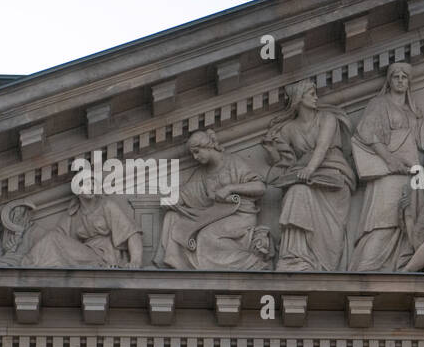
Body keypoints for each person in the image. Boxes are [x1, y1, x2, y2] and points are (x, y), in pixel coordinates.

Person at [349, 62, 424, 271]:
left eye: (404, 77)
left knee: (410, 220)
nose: (400, 80)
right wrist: (389, 159)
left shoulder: (413, 111)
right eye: (396, 76)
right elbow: (368, 133)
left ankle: (402, 264)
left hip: (413, 173)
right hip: (389, 172)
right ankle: (367, 268)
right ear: (389, 81)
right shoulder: (379, 103)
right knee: (385, 219)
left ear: (409, 82)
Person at [262, 79, 356, 272]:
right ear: (299, 98)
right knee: (296, 192)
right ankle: (296, 257)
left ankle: (324, 261)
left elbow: (322, 146)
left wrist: (310, 169)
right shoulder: (288, 129)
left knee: (304, 194)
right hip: (304, 178)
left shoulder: (327, 118)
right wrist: (271, 150)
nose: (316, 98)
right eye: (311, 94)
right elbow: (283, 162)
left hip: (332, 176)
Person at [157, 130, 270, 270]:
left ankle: (251, 263)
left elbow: (260, 187)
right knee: (173, 217)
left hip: (240, 216)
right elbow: (187, 194)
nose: (195, 157)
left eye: (197, 152)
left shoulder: (233, 162)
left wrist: (230, 188)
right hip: (214, 216)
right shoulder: (202, 173)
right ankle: (178, 263)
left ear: (208, 146)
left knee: (207, 236)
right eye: (193, 154)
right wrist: (171, 200)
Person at [25, 190, 141, 268]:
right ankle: (29, 264)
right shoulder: (74, 212)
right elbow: (57, 235)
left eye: (93, 183)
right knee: (51, 239)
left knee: (52, 238)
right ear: (78, 189)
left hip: (103, 256)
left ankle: (27, 264)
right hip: (85, 253)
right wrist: (30, 228)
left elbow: (132, 233)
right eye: (86, 183)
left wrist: (136, 261)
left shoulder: (107, 205)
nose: (91, 186)